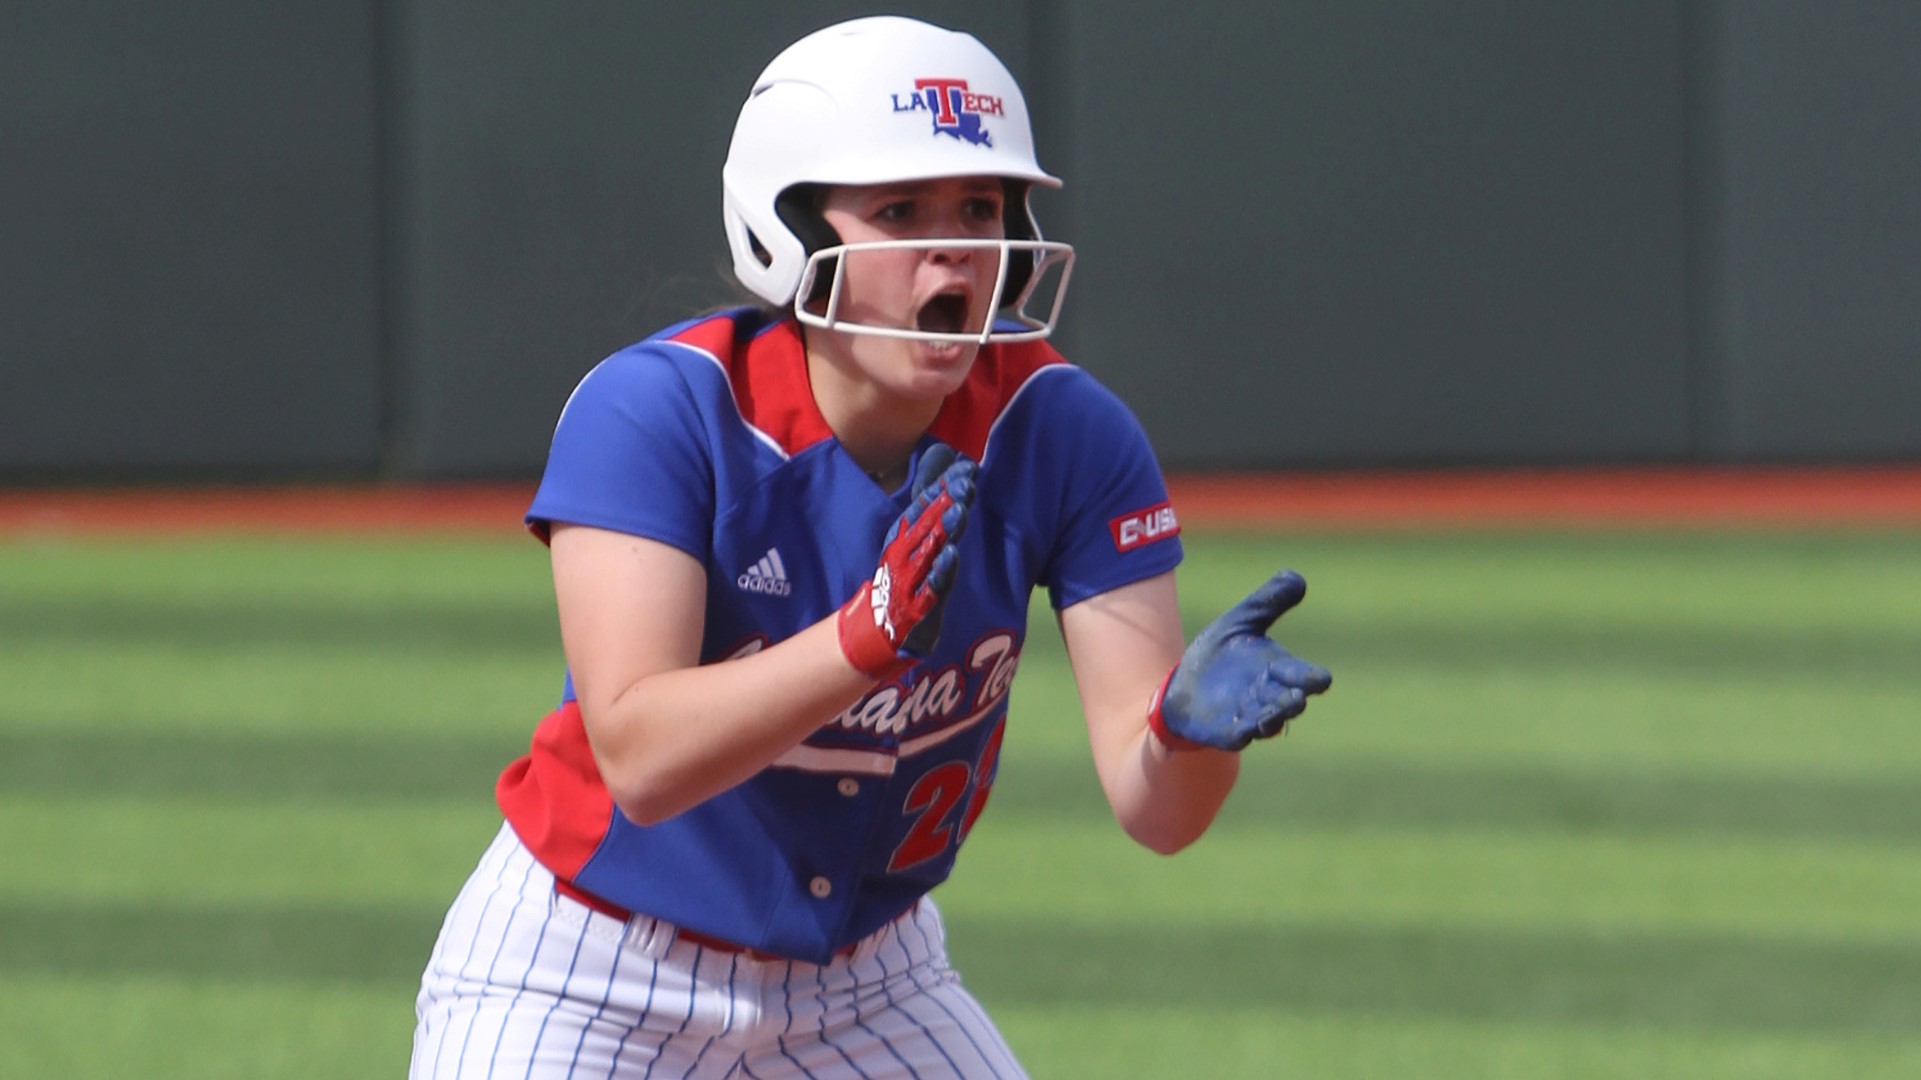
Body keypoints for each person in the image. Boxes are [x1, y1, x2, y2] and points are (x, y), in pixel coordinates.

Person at [409, 15, 1330, 1080]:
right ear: (788, 230)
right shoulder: (661, 410)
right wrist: (866, 636)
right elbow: (641, 758)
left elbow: (1157, 815)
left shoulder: (1062, 430)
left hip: (869, 983)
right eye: (900, 210)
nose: (955, 248)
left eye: (980, 208)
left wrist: (1184, 736)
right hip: (588, 969)